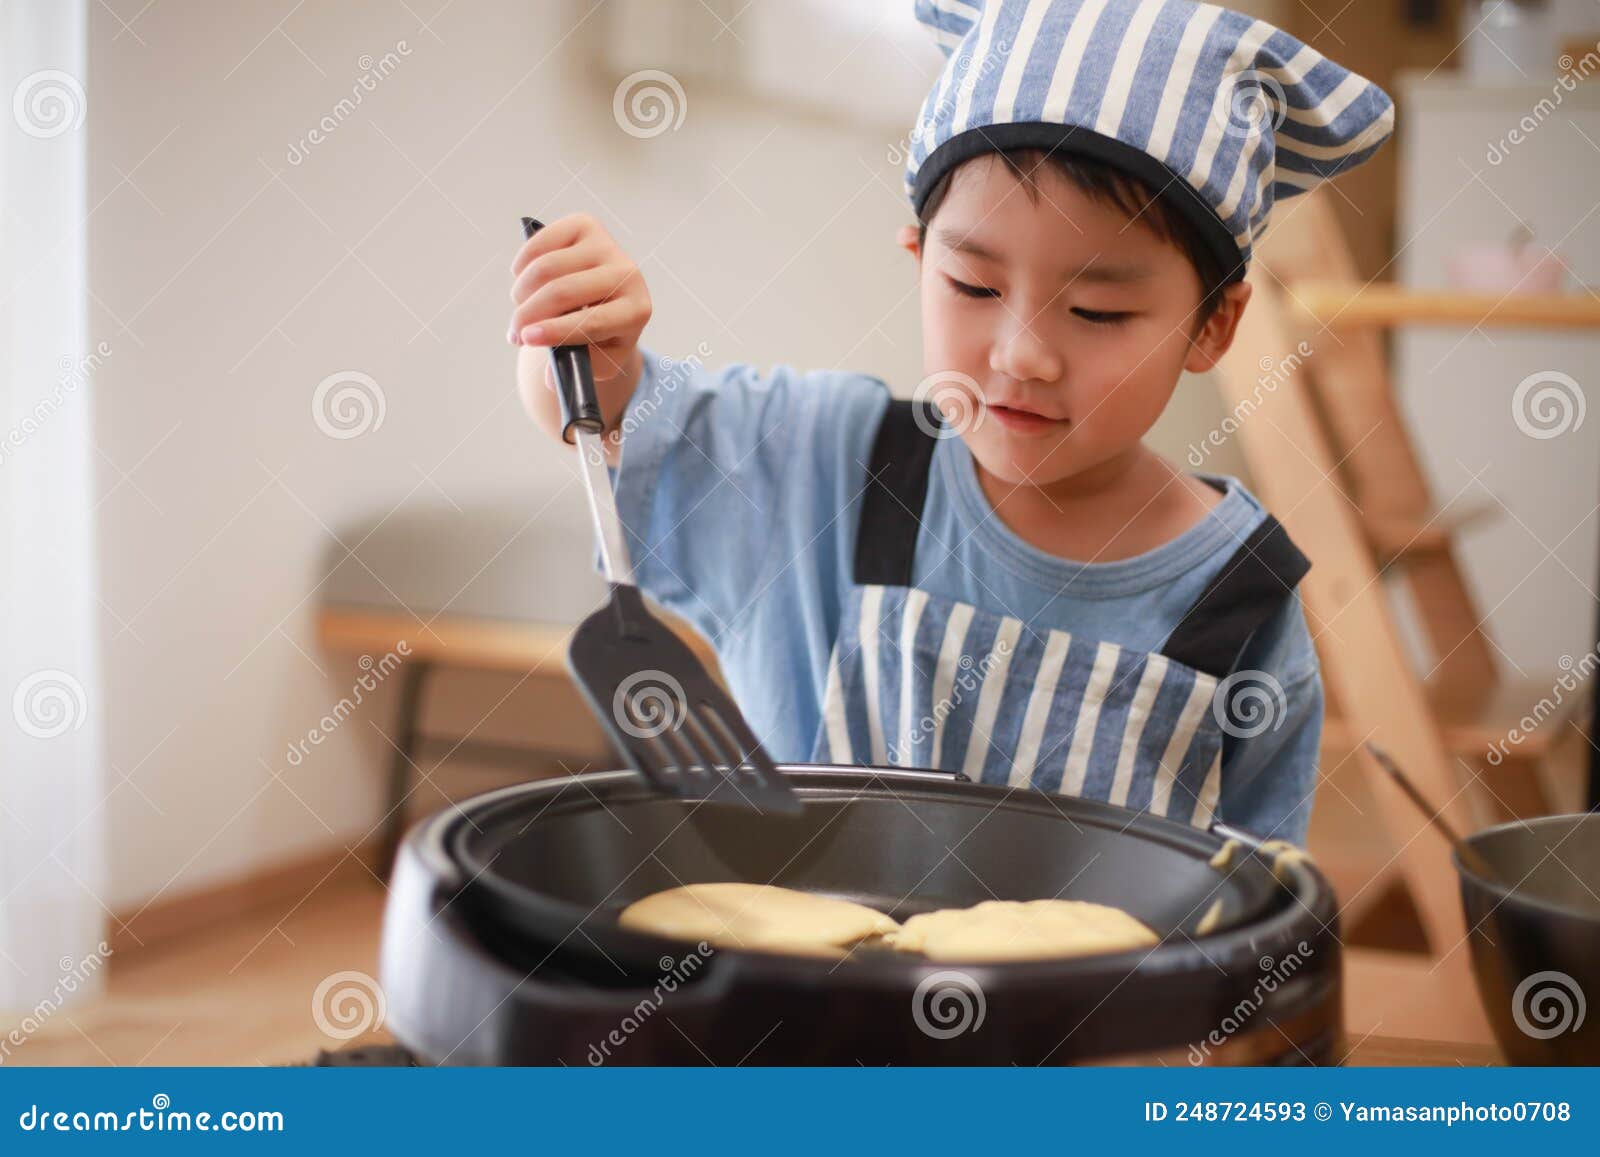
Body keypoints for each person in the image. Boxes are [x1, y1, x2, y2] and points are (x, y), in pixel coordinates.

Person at [507, 0, 1395, 846]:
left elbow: (1253, 913)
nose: (1023, 356)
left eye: (1096, 312)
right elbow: (610, 423)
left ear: (1213, 325)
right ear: (919, 260)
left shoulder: (1238, 602)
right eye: (974, 288)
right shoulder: (827, 467)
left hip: (1098, 1011)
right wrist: (587, 343)